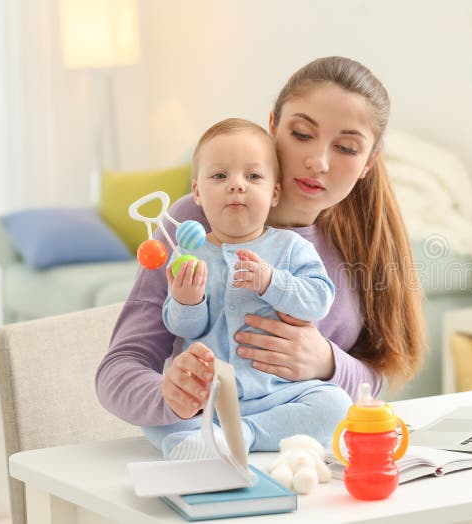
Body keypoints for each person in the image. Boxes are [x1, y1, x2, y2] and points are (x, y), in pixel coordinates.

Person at [96, 56, 426, 452]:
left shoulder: (366, 236)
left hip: (301, 450)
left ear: (368, 162)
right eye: (302, 133)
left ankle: (239, 438)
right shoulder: (195, 222)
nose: (318, 162)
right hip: (206, 437)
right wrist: (170, 394)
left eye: (345, 147)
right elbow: (118, 370)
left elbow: (375, 384)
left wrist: (326, 362)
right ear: (273, 127)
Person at [145, 117, 350, 459]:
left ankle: (243, 435)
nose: (236, 185)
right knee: (156, 413)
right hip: (209, 397)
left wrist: (271, 281)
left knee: (337, 405)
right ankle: (202, 439)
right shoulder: (189, 253)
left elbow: (317, 301)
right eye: (220, 176)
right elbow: (183, 329)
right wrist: (187, 300)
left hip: (280, 394)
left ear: (274, 193)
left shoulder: (290, 247)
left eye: (253, 176)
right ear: (197, 192)